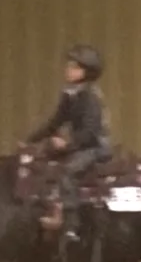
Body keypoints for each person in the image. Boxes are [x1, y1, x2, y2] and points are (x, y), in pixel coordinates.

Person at [20, 44, 113, 240]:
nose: (68, 69)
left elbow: (90, 132)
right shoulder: (70, 94)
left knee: (67, 171)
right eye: (69, 65)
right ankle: (46, 208)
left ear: (86, 72)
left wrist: (67, 145)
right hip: (80, 145)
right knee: (41, 164)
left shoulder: (90, 97)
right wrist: (31, 141)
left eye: (74, 66)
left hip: (94, 147)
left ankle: (71, 223)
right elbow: (56, 121)